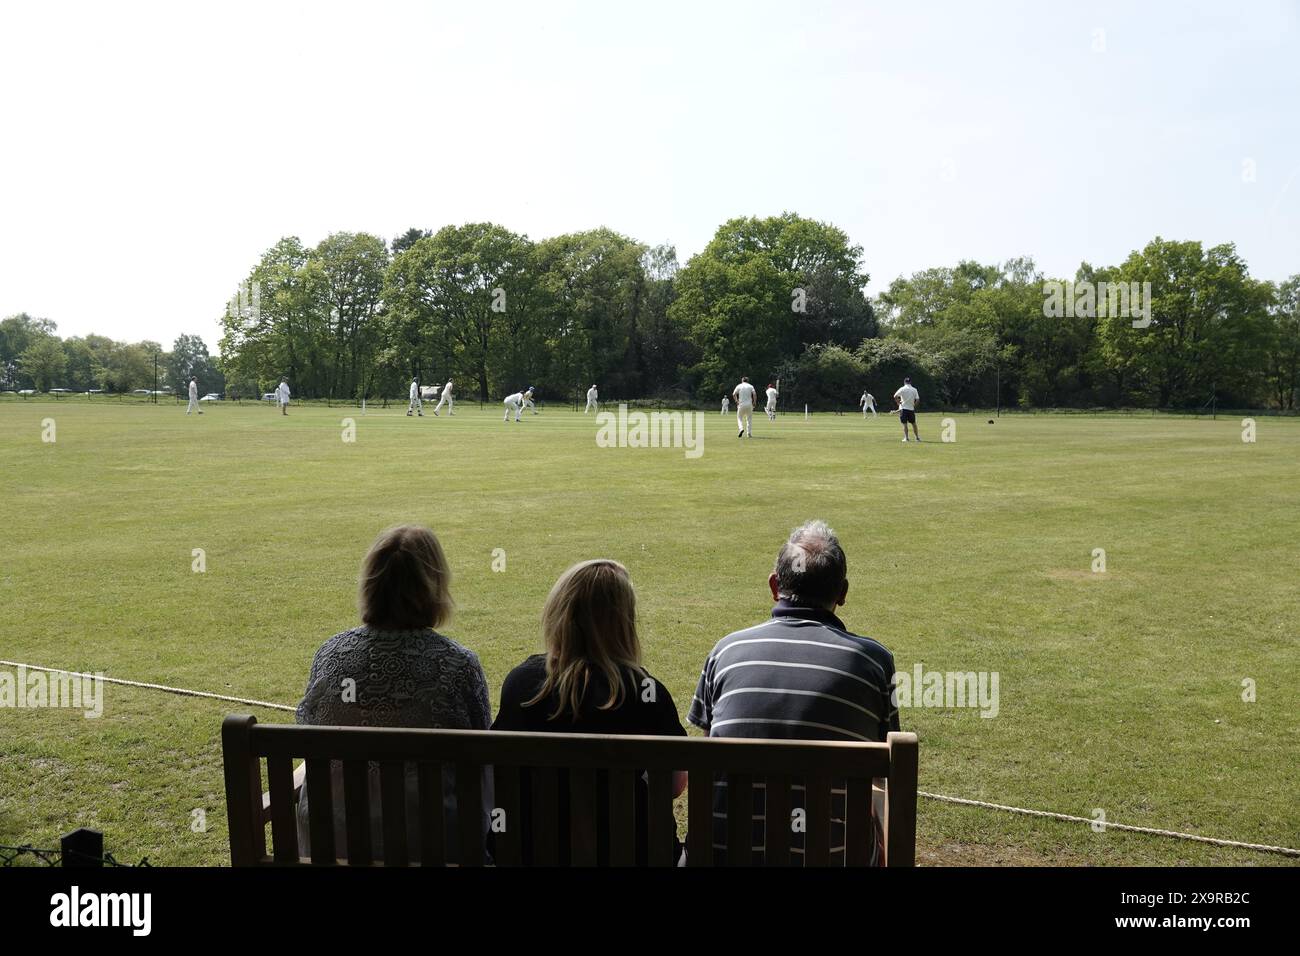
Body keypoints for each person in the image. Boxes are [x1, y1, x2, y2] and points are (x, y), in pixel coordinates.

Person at [688, 520, 899, 865]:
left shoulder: (725, 652)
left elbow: (713, 746)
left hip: (728, 856)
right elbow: (881, 770)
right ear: (842, 593)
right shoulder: (874, 663)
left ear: (775, 585)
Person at [295, 525, 493, 864]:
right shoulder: (458, 665)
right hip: (431, 851)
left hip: (334, 851)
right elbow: (483, 758)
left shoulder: (329, 655)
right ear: (435, 588)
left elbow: (310, 732)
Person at [492, 559, 688, 865]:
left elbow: (500, 770)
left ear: (559, 613)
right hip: (634, 856)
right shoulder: (646, 691)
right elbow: (674, 786)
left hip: (534, 856)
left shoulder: (522, 684)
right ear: (624, 620)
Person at [893, 377, 920, 442]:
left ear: (904, 382)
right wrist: (914, 405)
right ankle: (917, 438)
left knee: (905, 424)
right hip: (911, 409)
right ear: (910, 382)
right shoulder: (914, 389)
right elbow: (918, 400)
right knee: (914, 424)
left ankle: (906, 438)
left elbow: (895, 396)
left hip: (903, 409)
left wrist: (898, 402)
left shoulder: (902, 388)